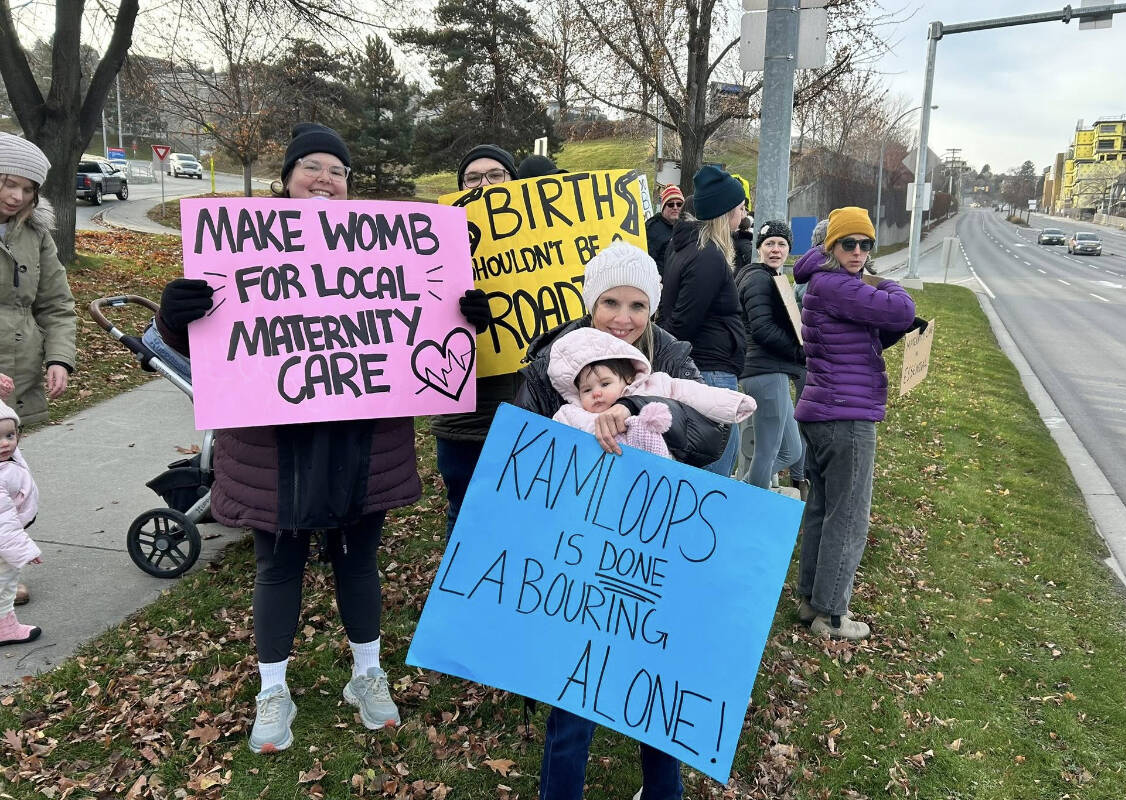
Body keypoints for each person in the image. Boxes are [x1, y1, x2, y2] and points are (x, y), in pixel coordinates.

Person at [155, 123, 422, 753]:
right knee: (278, 568)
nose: (324, 179)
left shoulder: (388, 254)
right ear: (286, 179)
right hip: (275, 449)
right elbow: (197, 346)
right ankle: (273, 690)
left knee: (359, 565)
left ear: (351, 186)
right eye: (312, 167)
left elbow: (422, 331)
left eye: (337, 170)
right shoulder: (238, 249)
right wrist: (176, 314)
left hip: (364, 443)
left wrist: (457, 321)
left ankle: (367, 674)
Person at [514, 240, 726, 800]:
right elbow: (518, 445)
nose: (623, 319)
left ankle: (663, 791)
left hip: (656, 538)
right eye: (610, 302)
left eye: (637, 305)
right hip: (578, 541)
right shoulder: (551, 361)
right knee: (574, 682)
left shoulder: (674, 356)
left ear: (652, 307)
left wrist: (641, 412)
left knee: (658, 677)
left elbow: (712, 437)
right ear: (590, 304)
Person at [792, 207, 921, 641]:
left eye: (866, 244)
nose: (859, 252)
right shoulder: (836, 284)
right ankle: (831, 615)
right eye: (850, 244)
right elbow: (901, 308)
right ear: (832, 246)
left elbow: (870, 334)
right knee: (848, 517)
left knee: (824, 510)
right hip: (846, 414)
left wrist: (894, 329)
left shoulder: (824, 284)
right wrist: (887, 282)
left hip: (826, 410)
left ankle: (811, 600)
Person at [0, 133, 76, 610]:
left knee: (11, 484)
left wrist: (58, 358)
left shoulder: (36, 235)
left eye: (27, 189)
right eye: (8, 183)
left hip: (19, 378)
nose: (16, 197)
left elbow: (57, 305)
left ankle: (4, 575)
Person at [431, 144, 520, 535]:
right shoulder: (432, 251)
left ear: (514, 183)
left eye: (495, 175)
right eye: (472, 177)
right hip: (463, 419)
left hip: (527, 414)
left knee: (521, 522)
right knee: (464, 516)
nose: (484, 184)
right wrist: (458, 319)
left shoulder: (551, 252)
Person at [658, 165, 747, 477]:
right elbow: (683, 321)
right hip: (709, 372)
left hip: (707, 369)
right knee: (714, 473)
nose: (744, 211)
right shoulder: (707, 255)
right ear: (724, 212)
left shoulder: (688, 248)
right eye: (740, 206)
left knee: (713, 467)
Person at [548, 326, 755, 458]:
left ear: (627, 379)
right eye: (586, 389)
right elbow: (552, 443)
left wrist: (733, 404)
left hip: (655, 479)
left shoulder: (653, 385)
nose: (596, 393)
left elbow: (691, 392)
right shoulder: (572, 414)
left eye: (604, 384)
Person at [735, 220, 806, 490]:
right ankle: (746, 509)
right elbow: (763, 330)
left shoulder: (771, 277)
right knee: (766, 454)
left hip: (770, 370)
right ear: (759, 248)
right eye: (769, 244)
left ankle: (741, 490)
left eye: (782, 244)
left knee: (792, 450)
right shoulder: (758, 278)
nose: (776, 249)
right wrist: (799, 351)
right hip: (764, 371)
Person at [0, 399, 41, 646]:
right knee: (5, 584)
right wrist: (26, 551)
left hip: (8, 536)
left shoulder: (8, 460)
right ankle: (6, 628)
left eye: (10, 435)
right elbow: (3, 522)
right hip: (5, 541)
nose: (5, 443)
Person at [645, 184, 683, 276]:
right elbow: (647, 260)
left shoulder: (683, 227)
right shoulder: (653, 228)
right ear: (663, 207)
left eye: (679, 204)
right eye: (670, 204)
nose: (675, 207)